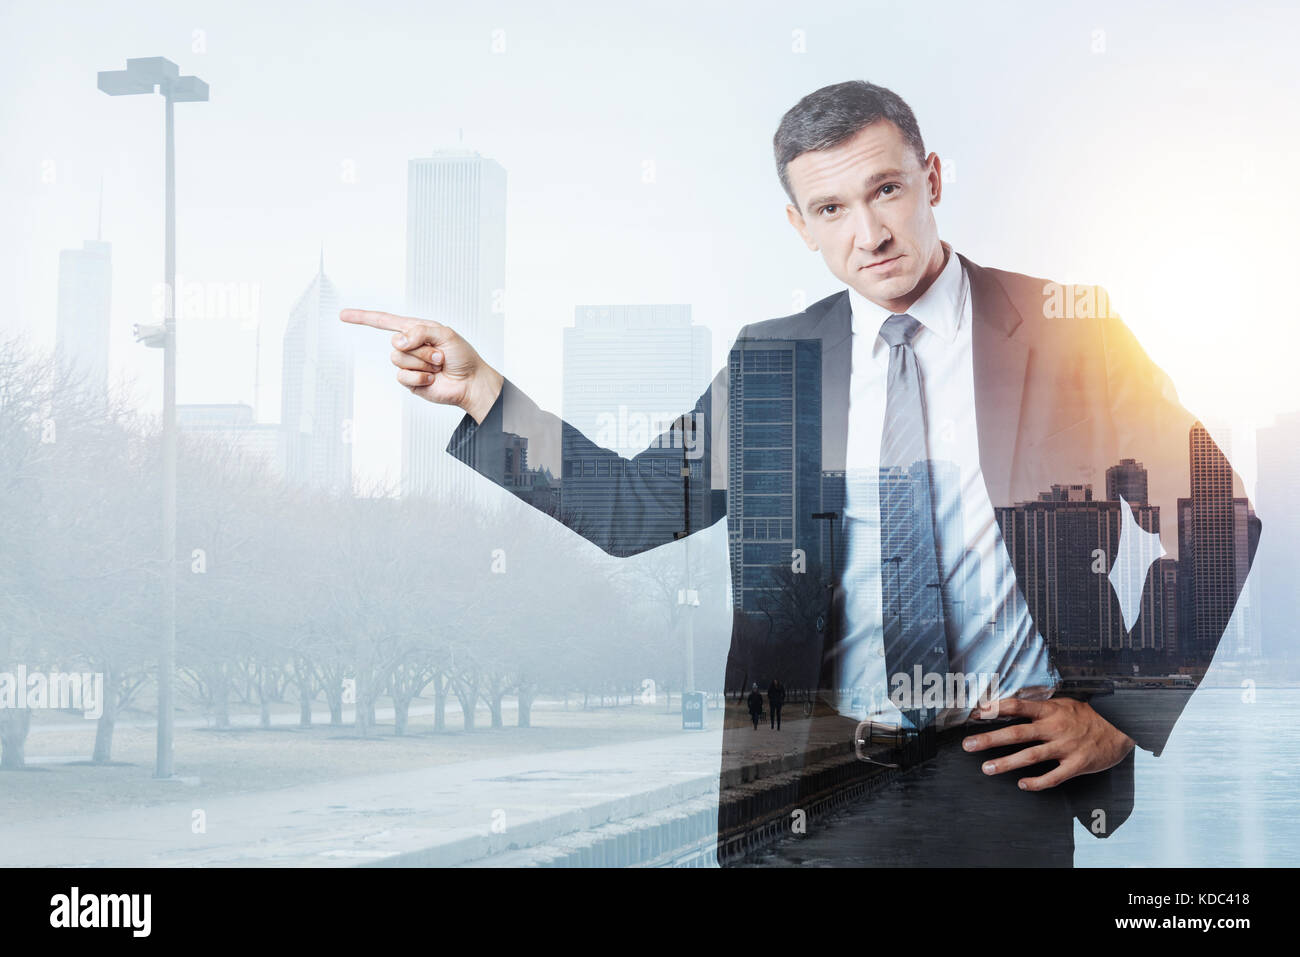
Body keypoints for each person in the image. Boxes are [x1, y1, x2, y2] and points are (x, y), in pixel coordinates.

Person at [342, 80, 1261, 866]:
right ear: (800, 225)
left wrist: (1119, 708)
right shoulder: (773, 363)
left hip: (999, 782)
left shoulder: (1068, 333)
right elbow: (636, 507)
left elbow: (1213, 509)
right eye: (831, 210)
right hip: (809, 792)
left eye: (886, 189)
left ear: (931, 179)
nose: (869, 232)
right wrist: (485, 397)